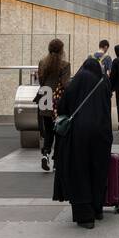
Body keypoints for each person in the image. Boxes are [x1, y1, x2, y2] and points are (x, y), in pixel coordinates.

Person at [52, 56, 113, 228]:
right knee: (98, 170)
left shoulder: (76, 81)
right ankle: (97, 208)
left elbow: (63, 107)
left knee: (79, 170)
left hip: (78, 134)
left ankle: (85, 216)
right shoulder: (103, 82)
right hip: (101, 134)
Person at [35, 39, 70, 173]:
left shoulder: (42, 63)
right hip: (58, 101)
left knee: (48, 130)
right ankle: (57, 160)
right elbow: (66, 84)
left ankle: (45, 154)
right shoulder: (65, 65)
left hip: (44, 98)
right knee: (60, 130)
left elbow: (41, 81)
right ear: (61, 50)